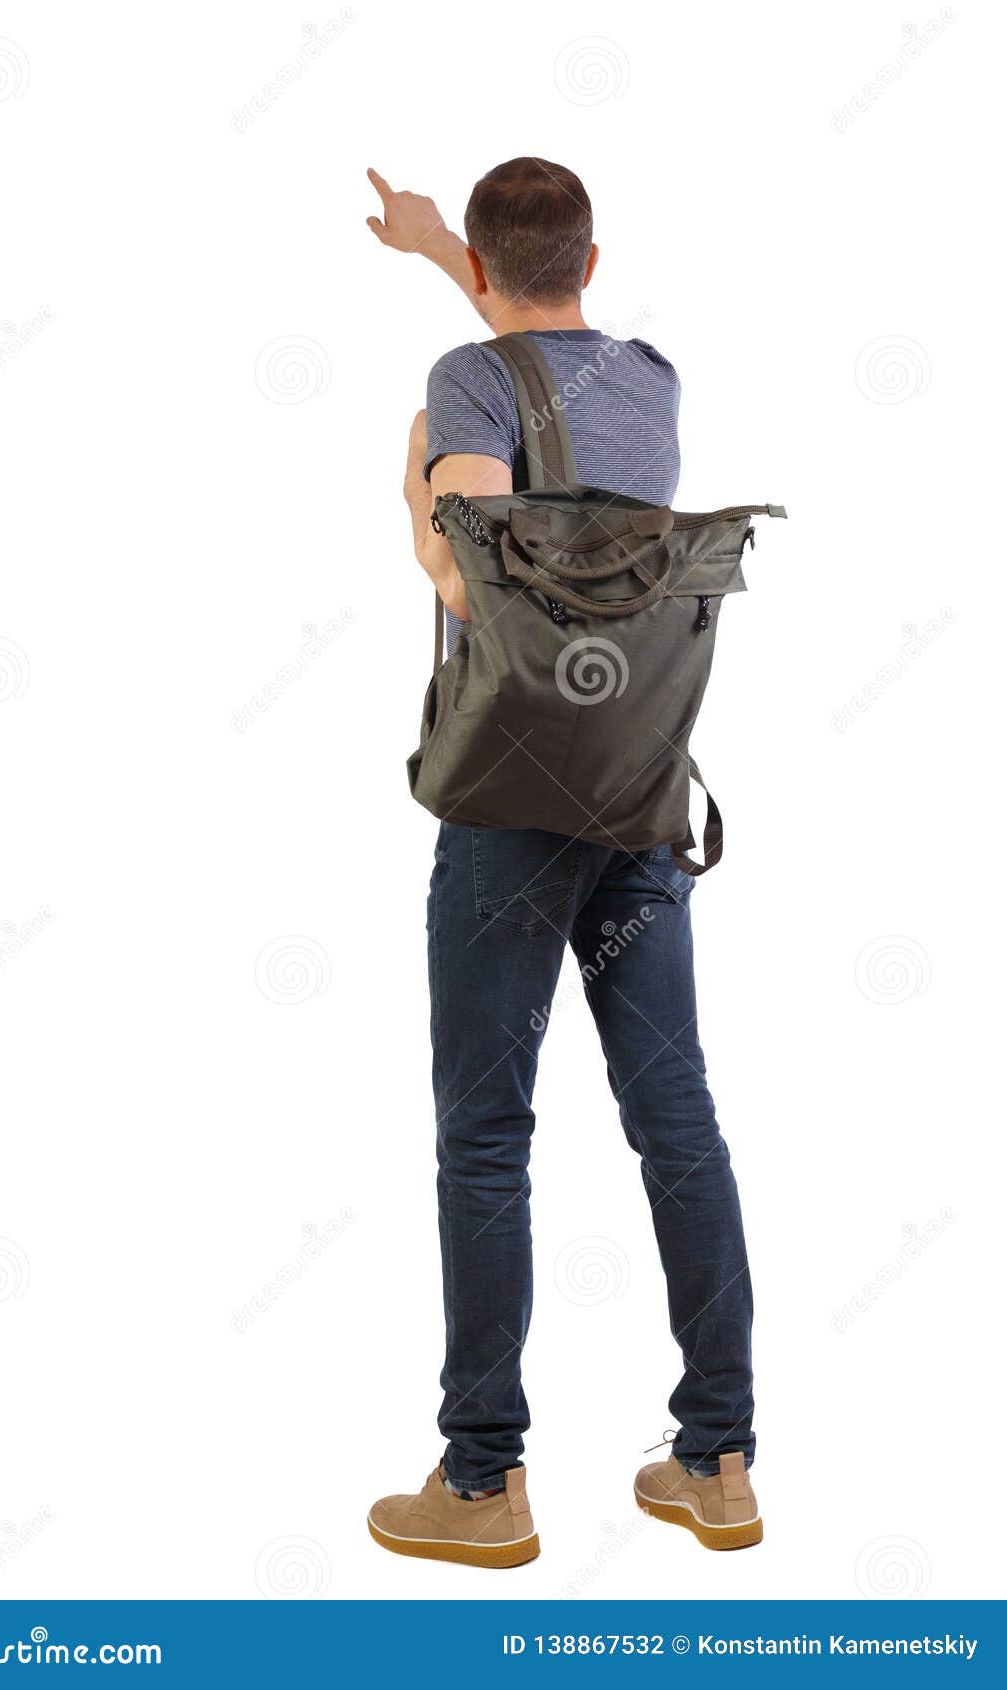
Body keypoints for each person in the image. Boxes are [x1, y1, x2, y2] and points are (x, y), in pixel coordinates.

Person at [363, 159, 761, 1567]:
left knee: (486, 1132)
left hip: (511, 808)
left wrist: (410, 473)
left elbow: (475, 573)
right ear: (597, 255)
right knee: (675, 1114)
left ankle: (481, 1481)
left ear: (485, 262)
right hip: (639, 793)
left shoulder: (460, 381)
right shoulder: (648, 375)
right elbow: (546, 369)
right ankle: (715, 1456)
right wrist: (442, 255)